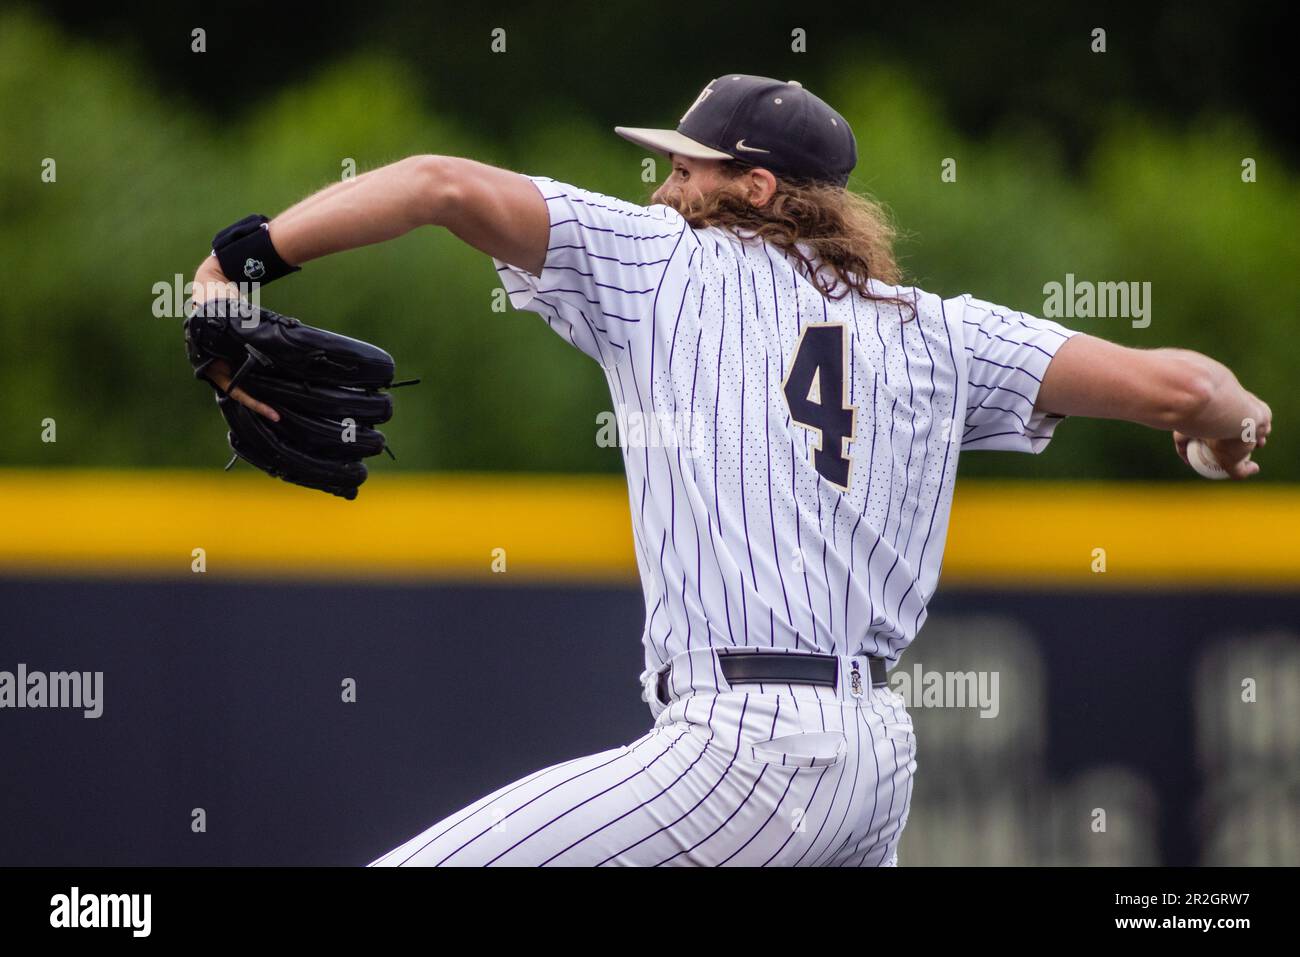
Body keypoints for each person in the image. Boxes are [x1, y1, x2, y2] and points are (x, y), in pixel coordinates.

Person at [191, 74, 1271, 866]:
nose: (662, 188)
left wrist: (240, 261)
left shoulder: (664, 262)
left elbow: (437, 183)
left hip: (742, 750)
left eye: (683, 168)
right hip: (872, 763)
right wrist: (1226, 425)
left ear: (753, 189)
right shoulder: (939, 334)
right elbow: (1177, 386)